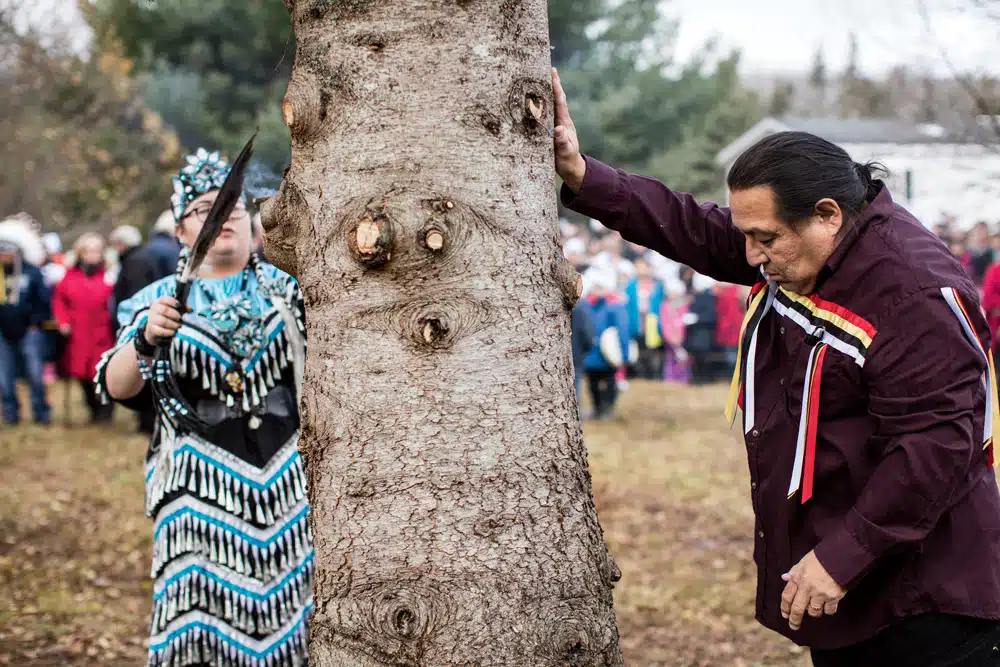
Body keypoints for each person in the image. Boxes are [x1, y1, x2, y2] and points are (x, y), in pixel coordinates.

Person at [551, 68, 1000, 665]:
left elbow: (934, 446)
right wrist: (586, 175)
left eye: (765, 237)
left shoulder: (912, 294)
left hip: (927, 601)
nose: (751, 256)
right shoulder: (803, 249)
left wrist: (841, 558)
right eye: (748, 234)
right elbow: (699, 228)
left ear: (827, 214)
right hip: (854, 582)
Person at [94, 147, 312, 667]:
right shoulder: (157, 300)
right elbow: (117, 385)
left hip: (291, 489)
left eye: (234, 206)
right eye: (205, 209)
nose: (224, 216)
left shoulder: (293, 289)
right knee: (201, 628)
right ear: (182, 231)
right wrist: (147, 339)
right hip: (198, 493)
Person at [53, 233, 116, 423]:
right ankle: (92, 407)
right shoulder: (69, 277)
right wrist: (63, 322)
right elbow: (59, 301)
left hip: (102, 332)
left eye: (97, 251)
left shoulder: (108, 275)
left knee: (102, 372)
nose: (93, 255)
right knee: (82, 373)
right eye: (89, 251)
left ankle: (105, 409)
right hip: (79, 333)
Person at [0, 233, 51, 426]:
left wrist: (36, 323)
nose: (3, 256)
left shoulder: (31, 272)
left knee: (35, 373)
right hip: (2, 332)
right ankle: (10, 413)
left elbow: (44, 300)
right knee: (4, 375)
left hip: (30, 331)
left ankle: (41, 413)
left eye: (7, 252)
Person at [581, 268, 629, 420]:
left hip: (608, 354)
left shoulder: (614, 307)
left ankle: (607, 410)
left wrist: (624, 355)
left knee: (610, 382)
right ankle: (597, 409)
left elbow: (622, 332)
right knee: (593, 383)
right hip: (591, 354)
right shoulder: (586, 306)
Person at [624, 256, 665, 381]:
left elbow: (661, 304)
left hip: (652, 320)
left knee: (653, 348)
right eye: (638, 267)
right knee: (638, 348)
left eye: (643, 267)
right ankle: (639, 375)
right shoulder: (631, 286)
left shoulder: (657, 285)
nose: (640, 270)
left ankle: (653, 376)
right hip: (637, 320)